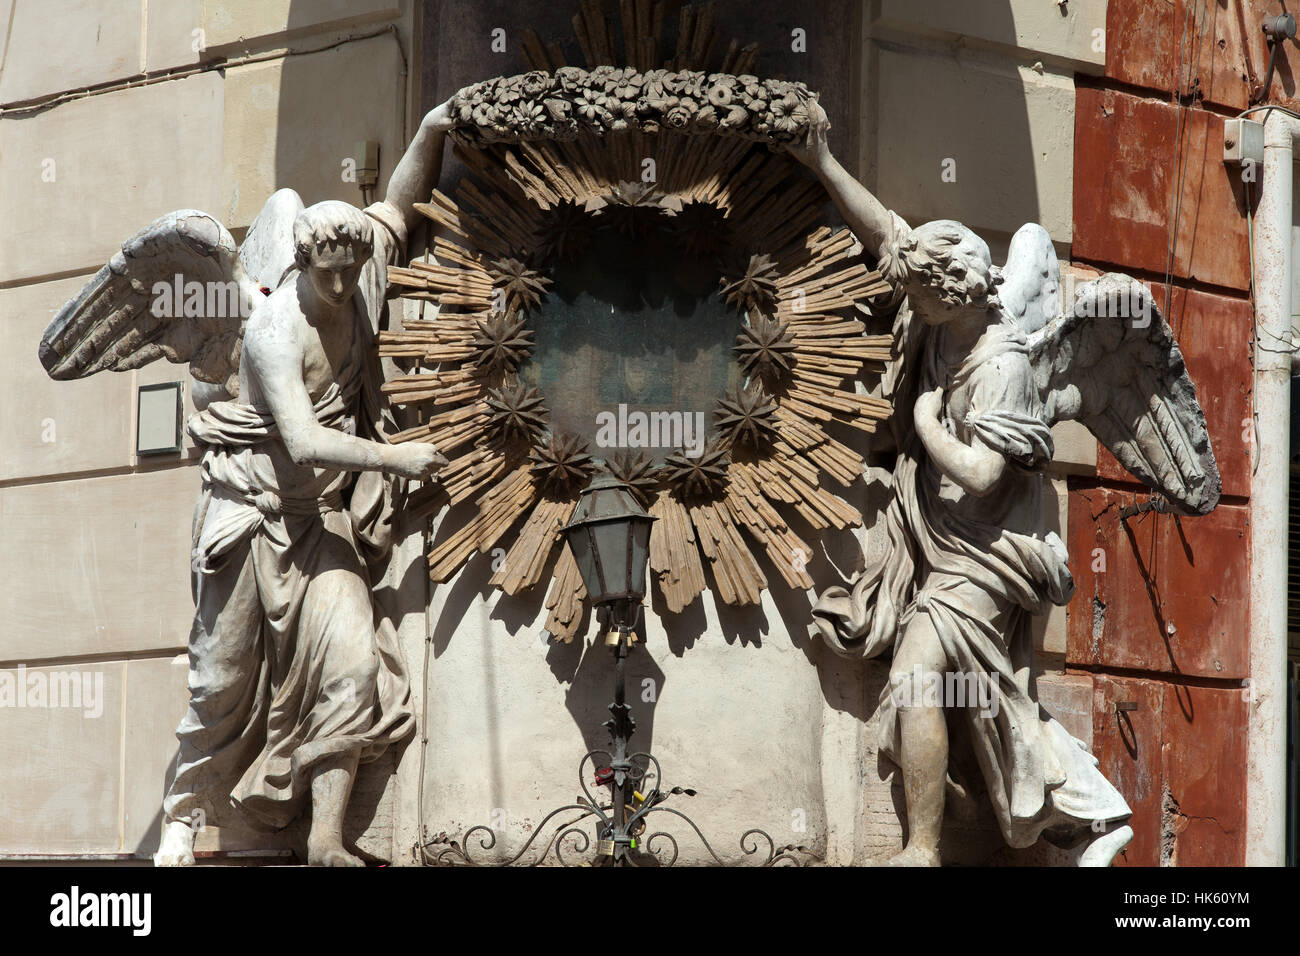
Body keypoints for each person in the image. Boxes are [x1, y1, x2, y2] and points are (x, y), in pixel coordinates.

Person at [790, 102, 1134, 866]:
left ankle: (924, 848)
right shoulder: (943, 317)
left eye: (922, 298)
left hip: (991, 550)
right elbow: (888, 234)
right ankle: (1080, 813)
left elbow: (982, 473)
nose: (909, 307)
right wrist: (820, 161)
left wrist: (927, 424)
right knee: (990, 705)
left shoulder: (1005, 364)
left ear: (962, 290)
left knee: (919, 674)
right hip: (942, 543)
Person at [154, 100, 459, 867]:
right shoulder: (271, 330)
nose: (341, 281)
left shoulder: (358, 278)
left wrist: (435, 127)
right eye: (327, 270)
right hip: (247, 521)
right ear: (301, 256)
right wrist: (399, 459)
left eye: (350, 269)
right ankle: (184, 816)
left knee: (354, 658)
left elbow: (394, 205)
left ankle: (325, 837)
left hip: (317, 524)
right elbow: (301, 437)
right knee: (220, 684)